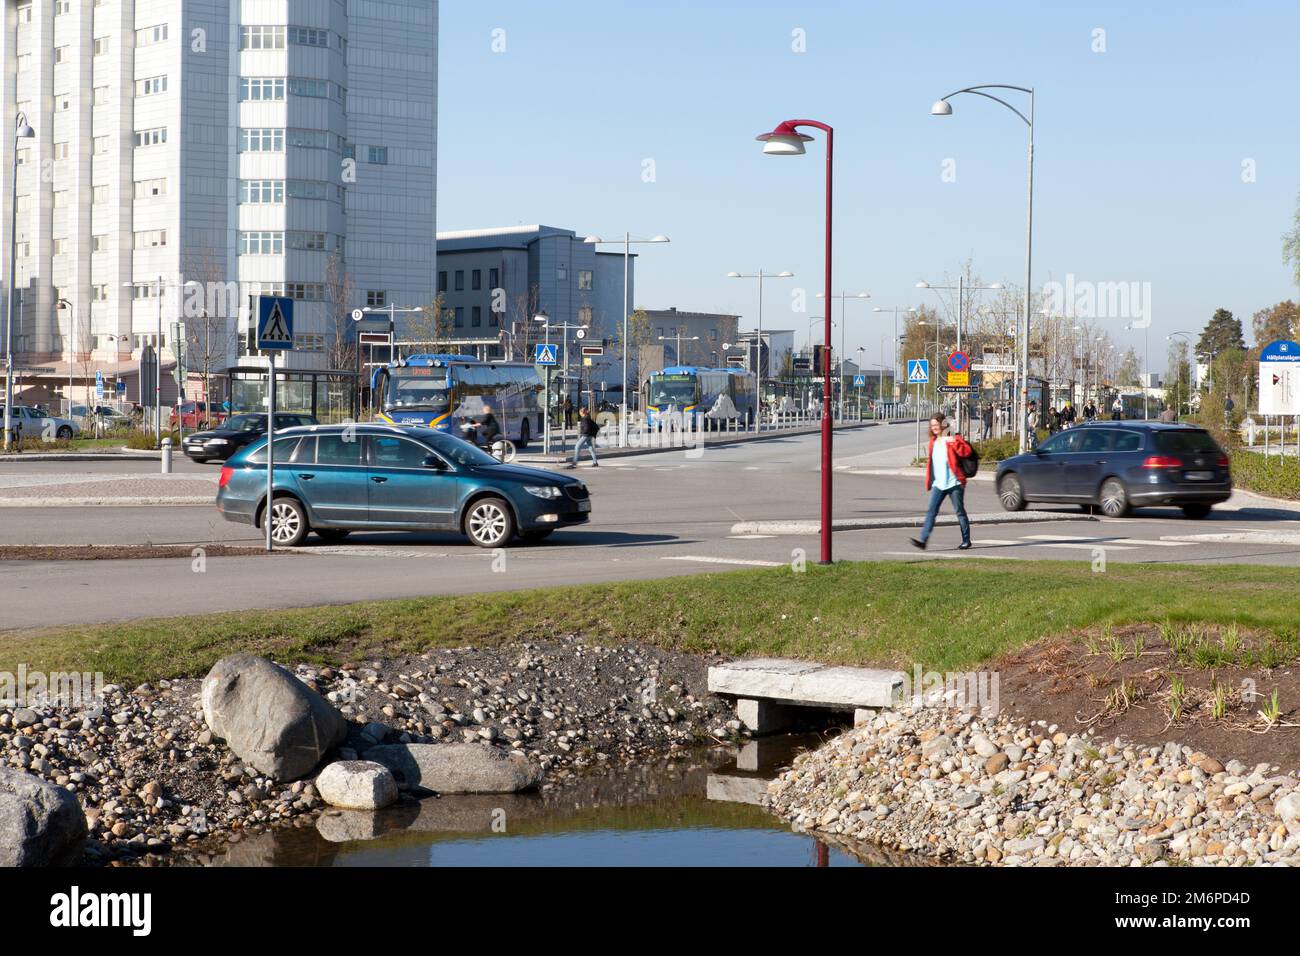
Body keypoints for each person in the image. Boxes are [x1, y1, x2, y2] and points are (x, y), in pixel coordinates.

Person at [910, 412, 972, 551]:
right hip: (939, 484)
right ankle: (923, 540)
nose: (934, 427)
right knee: (931, 511)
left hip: (954, 483)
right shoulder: (933, 442)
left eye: (936, 425)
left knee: (959, 512)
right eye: (932, 425)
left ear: (943, 425)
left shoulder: (952, 438)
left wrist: (953, 442)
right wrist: (930, 480)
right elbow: (932, 464)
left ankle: (966, 540)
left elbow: (966, 452)